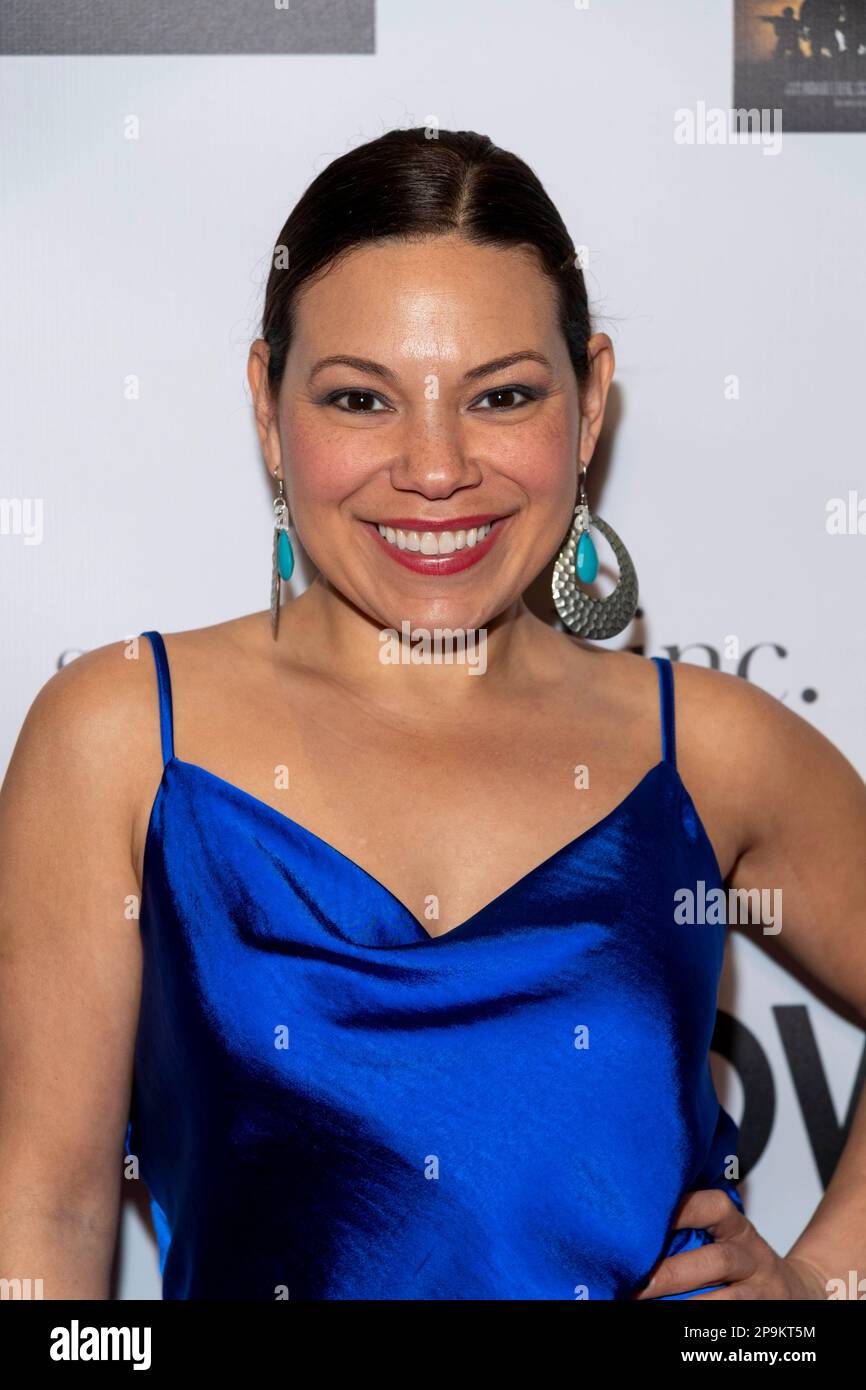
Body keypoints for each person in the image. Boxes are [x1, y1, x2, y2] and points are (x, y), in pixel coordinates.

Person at [1, 128, 864, 1301]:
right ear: (266, 405)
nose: (435, 467)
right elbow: (45, 1212)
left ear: (591, 396)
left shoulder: (710, 748)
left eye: (500, 395)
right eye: (360, 398)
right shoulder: (117, 735)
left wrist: (815, 1290)